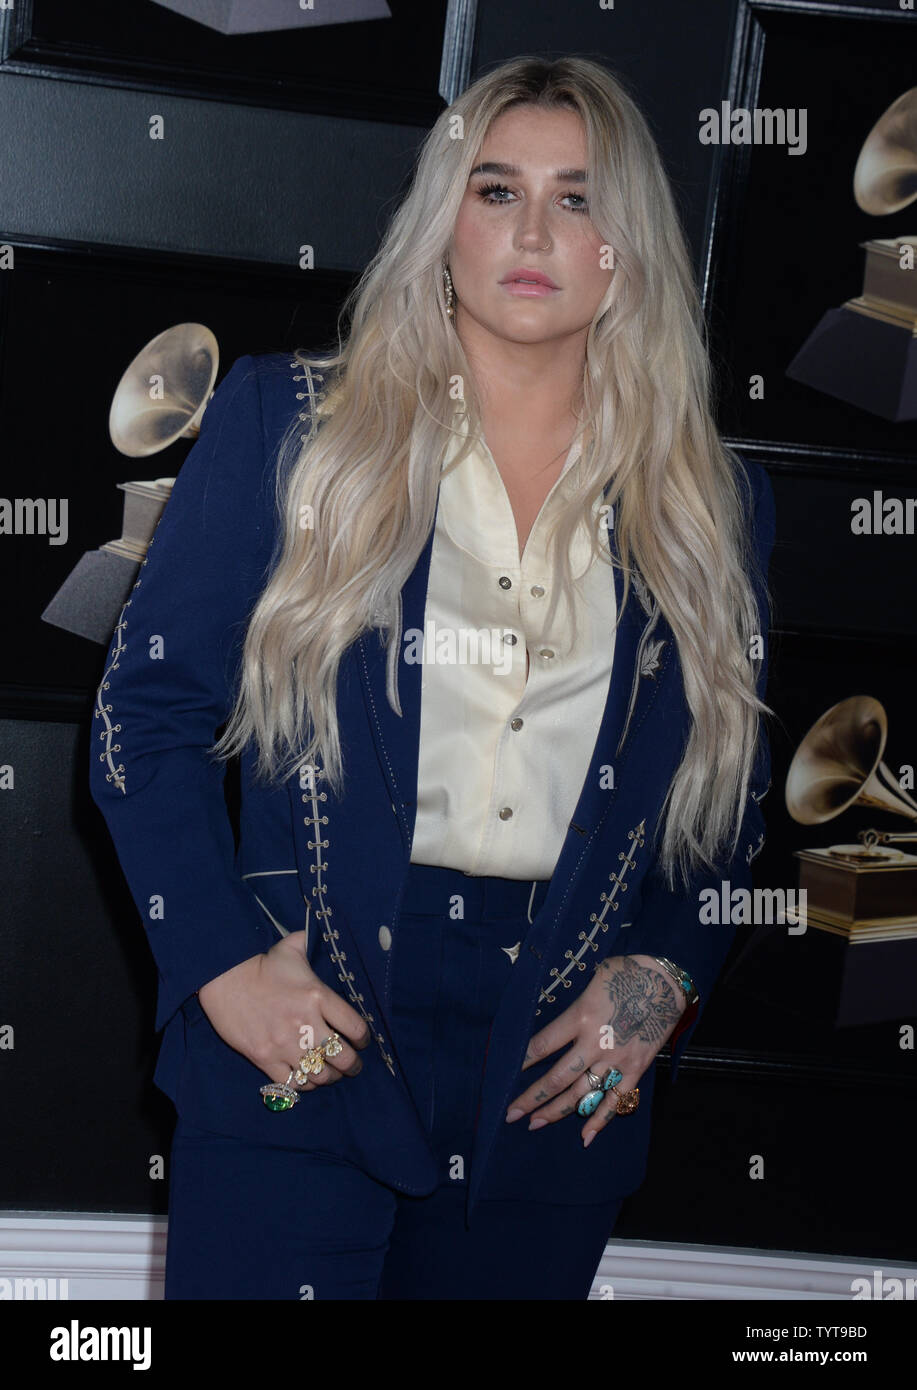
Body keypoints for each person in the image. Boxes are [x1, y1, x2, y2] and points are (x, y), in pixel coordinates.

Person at [89, 54, 776, 1300]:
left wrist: (666, 970)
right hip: (312, 1013)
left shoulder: (711, 504)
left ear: (628, 246)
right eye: (494, 187)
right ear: (439, 219)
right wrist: (224, 969)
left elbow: (729, 794)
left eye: (577, 199)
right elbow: (146, 713)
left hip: (553, 1063)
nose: (529, 230)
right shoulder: (290, 426)